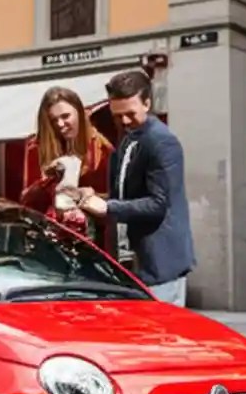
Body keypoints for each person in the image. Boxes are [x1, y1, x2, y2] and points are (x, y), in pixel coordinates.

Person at [77, 70, 195, 307]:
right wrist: (96, 198)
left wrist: (107, 207)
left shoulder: (162, 141)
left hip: (160, 263)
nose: (124, 121)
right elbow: (127, 194)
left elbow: (158, 203)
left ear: (147, 103)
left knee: (162, 337)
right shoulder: (130, 137)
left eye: (130, 114)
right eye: (117, 115)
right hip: (134, 261)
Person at [19, 86, 113, 244]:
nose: (60, 124)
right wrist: (48, 182)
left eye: (65, 116)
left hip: (94, 239)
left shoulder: (101, 147)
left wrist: (89, 194)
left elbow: (115, 199)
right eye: (53, 120)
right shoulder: (36, 147)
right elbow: (26, 201)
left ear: (80, 113)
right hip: (49, 237)